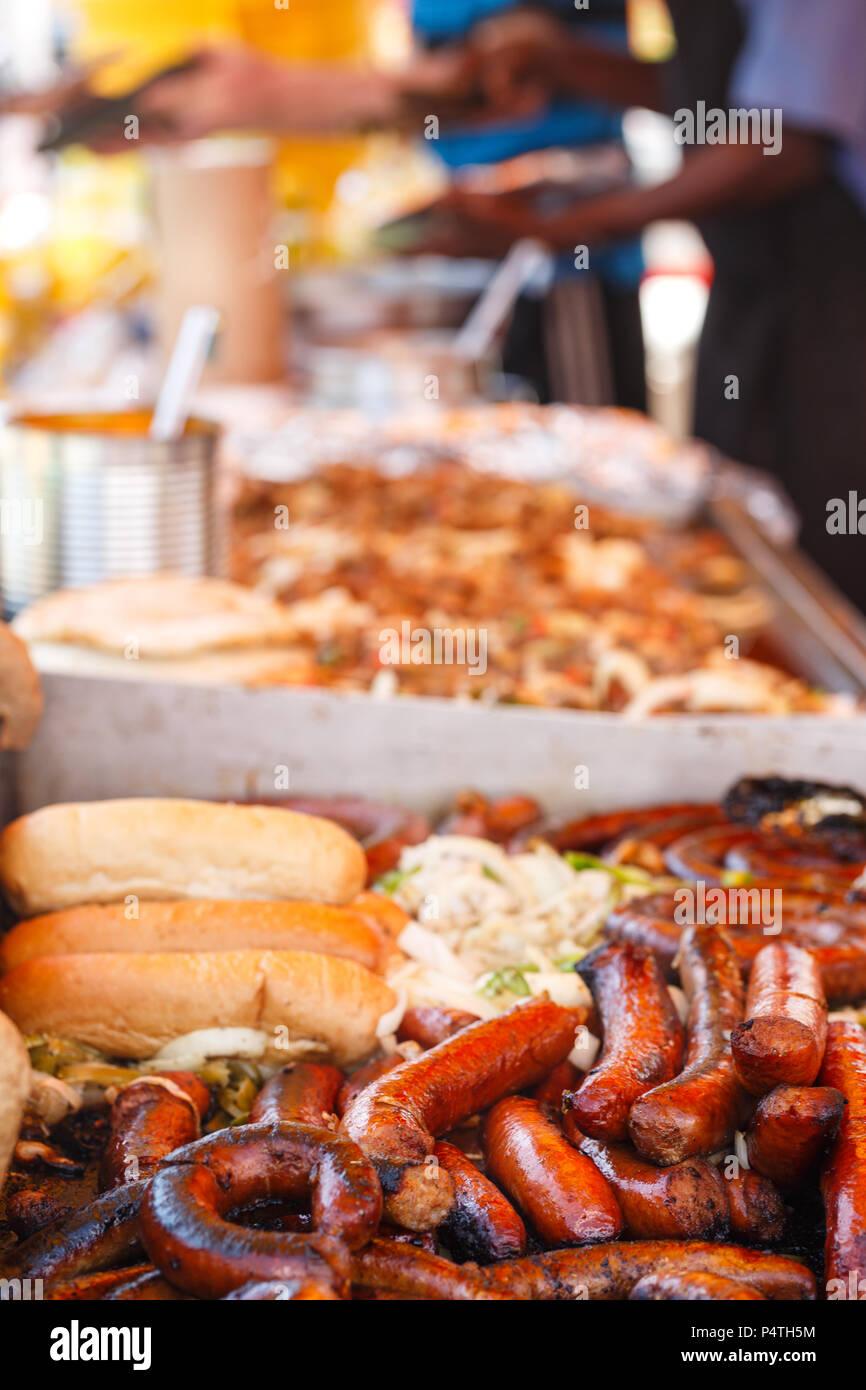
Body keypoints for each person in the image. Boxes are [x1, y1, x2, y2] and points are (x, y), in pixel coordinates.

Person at [435, 1, 866, 610]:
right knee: (731, 561)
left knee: (833, 577)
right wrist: (564, 63)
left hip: (841, 311)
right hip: (749, 300)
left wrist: (576, 224)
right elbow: (716, 100)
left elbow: (783, 142)